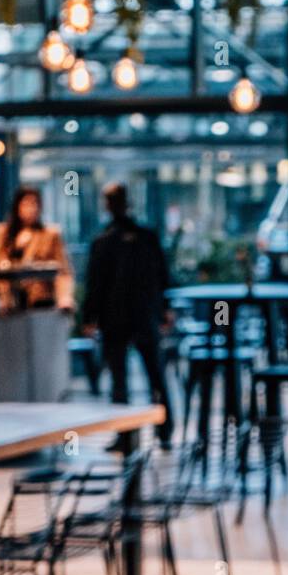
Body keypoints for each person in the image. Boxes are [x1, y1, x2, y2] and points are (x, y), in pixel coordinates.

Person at [82, 184, 174, 446]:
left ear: (108, 205)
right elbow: (163, 275)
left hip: (116, 317)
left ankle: (126, 436)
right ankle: (164, 430)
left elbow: (95, 284)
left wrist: (90, 318)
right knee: (154, 375)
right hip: (143, 314)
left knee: (121, 380)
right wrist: (165, 308)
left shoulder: (104, 241)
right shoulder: (146, 236)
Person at [0, 186, 75, 312]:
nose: (31, 209)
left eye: (35, 204)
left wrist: (65, 298)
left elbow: (64, 272)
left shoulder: (50, 234)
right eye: (26, 204)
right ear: (17, 206)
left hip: (40, 301)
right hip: (8, 302)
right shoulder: (3, 233)